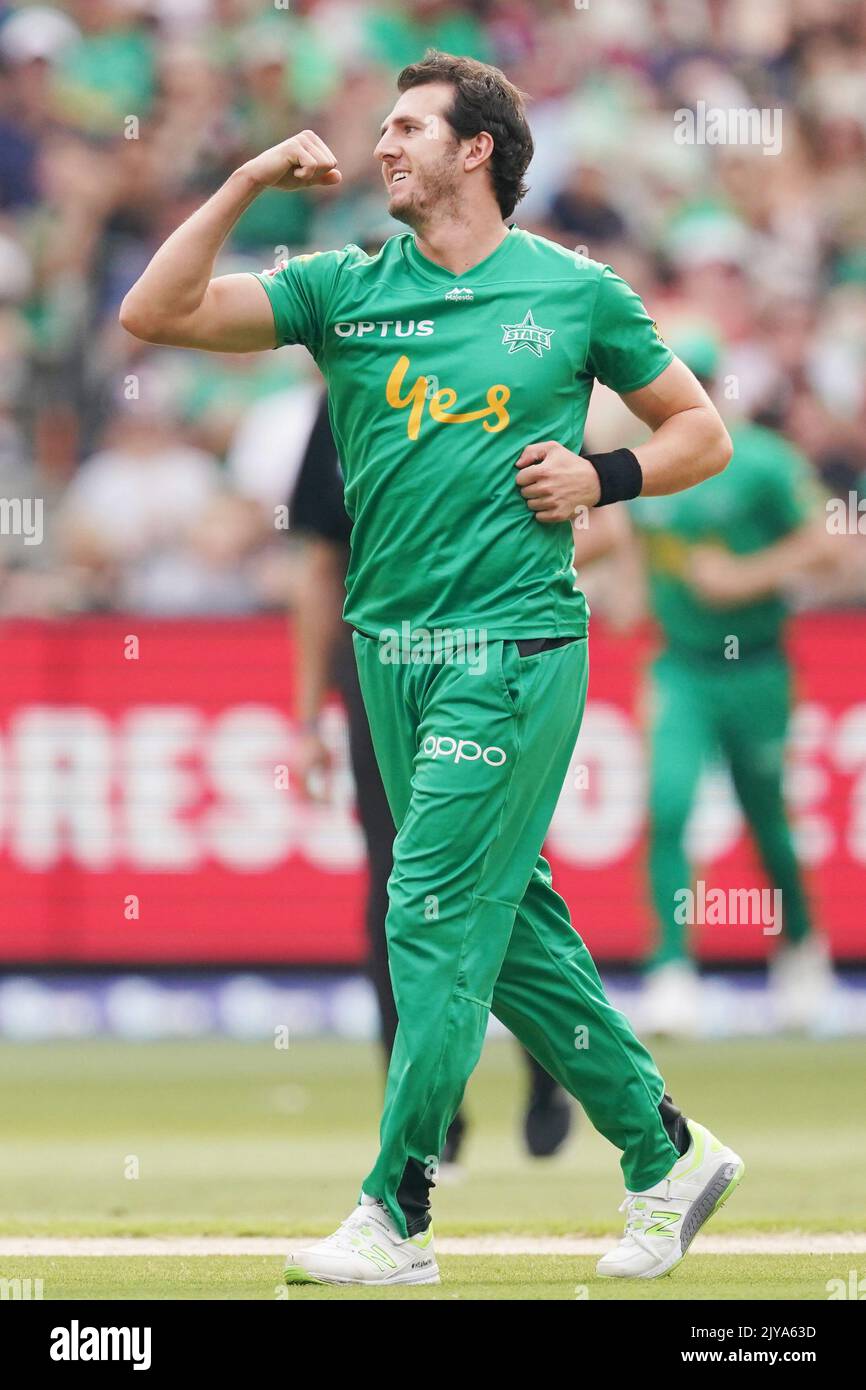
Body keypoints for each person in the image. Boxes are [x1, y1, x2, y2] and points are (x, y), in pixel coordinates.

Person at [120, 49, 741, 1286]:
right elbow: (156, 311)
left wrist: (600, 477)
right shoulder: (345, 288)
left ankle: (395, 1212)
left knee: (425, 910)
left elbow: (699, 432)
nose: (382, 144)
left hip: (510, 648)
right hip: (387, 658)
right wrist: (249, 175)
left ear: (477, 152)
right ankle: (664, 1153)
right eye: (382, 126)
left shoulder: (572, 293)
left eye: (410, 127)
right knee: (504, 935)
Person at [289, 385, 575, 1163]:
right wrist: (309, 711)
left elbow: (578, 524)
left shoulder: (495, 380)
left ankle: (553, 1067)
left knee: (499, 876)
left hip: (492, 654)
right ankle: (425, 1114)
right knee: (398, 883)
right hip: (382, 662)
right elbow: (322, 559)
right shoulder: (345, 404)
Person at [578, 336, 837, 1035]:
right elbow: (638, 558)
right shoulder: (642, 465)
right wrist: (625, 601)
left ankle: (802, 947)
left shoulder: (757, 459)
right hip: (681, 665)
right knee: (666, 804)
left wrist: (745, 579)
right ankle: (670, 969)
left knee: (767, 816)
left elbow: (829, 542)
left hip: (756, 663)